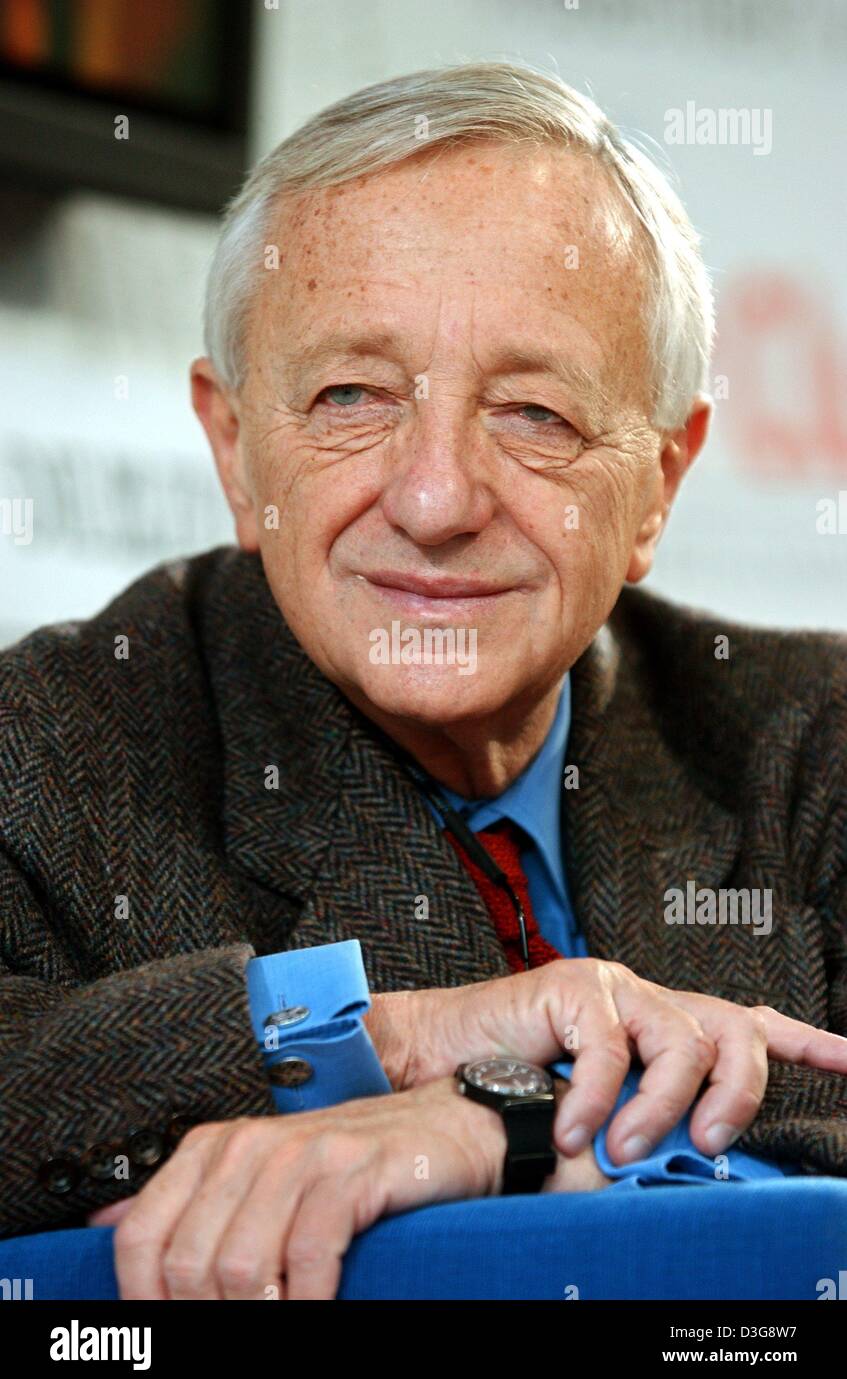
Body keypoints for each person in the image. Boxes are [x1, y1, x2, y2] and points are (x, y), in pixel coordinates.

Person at [1, 62, 845, 1301]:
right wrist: (387, 1041)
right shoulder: (43, 752)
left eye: (535, 414)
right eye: (351, 396)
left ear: (661, 477)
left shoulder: (808, 739)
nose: (436, 499)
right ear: (236, 450)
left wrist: (500, 1132)